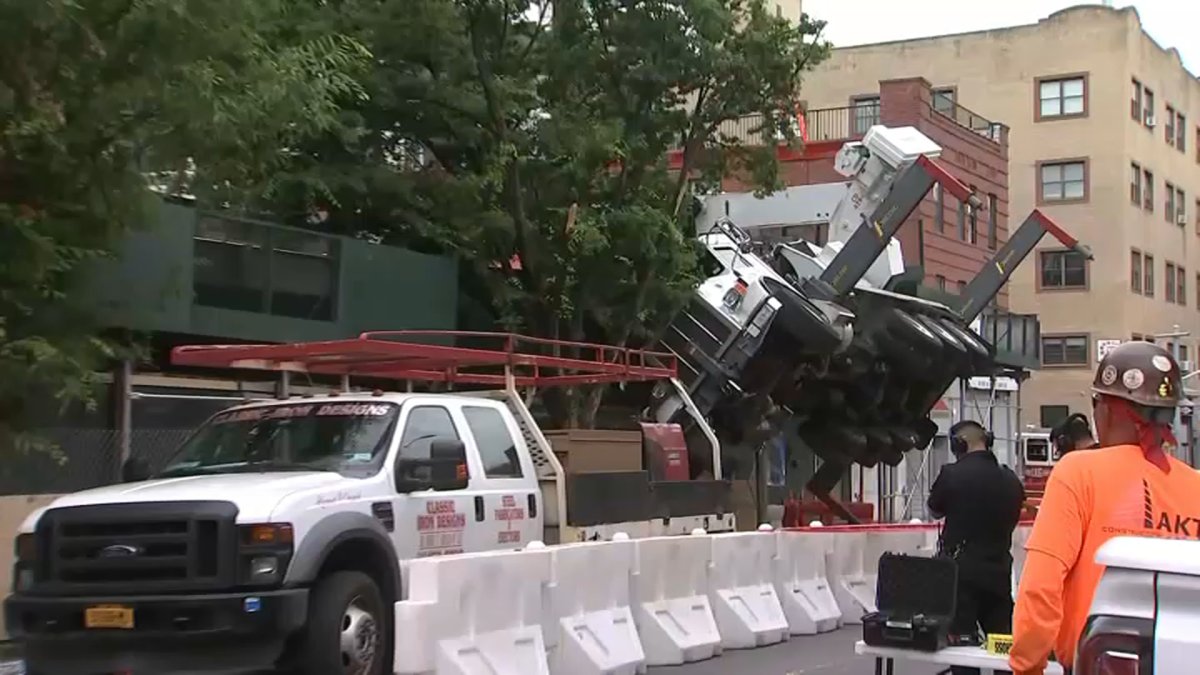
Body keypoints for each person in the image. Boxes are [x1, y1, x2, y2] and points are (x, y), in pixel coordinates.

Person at [1010, 342, 1200, 674]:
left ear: (1107, 409)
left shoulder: (1077, 472)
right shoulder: (1195, 486)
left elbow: (1041, 588)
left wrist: (1027, 667)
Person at [928, 419, 1026, 675]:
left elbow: (935, 509)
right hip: (999, 570)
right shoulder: (1010, 479)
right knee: (1002, 644)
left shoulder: (952, 474)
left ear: (958, 445)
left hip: (961, 575)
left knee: (962, 646)